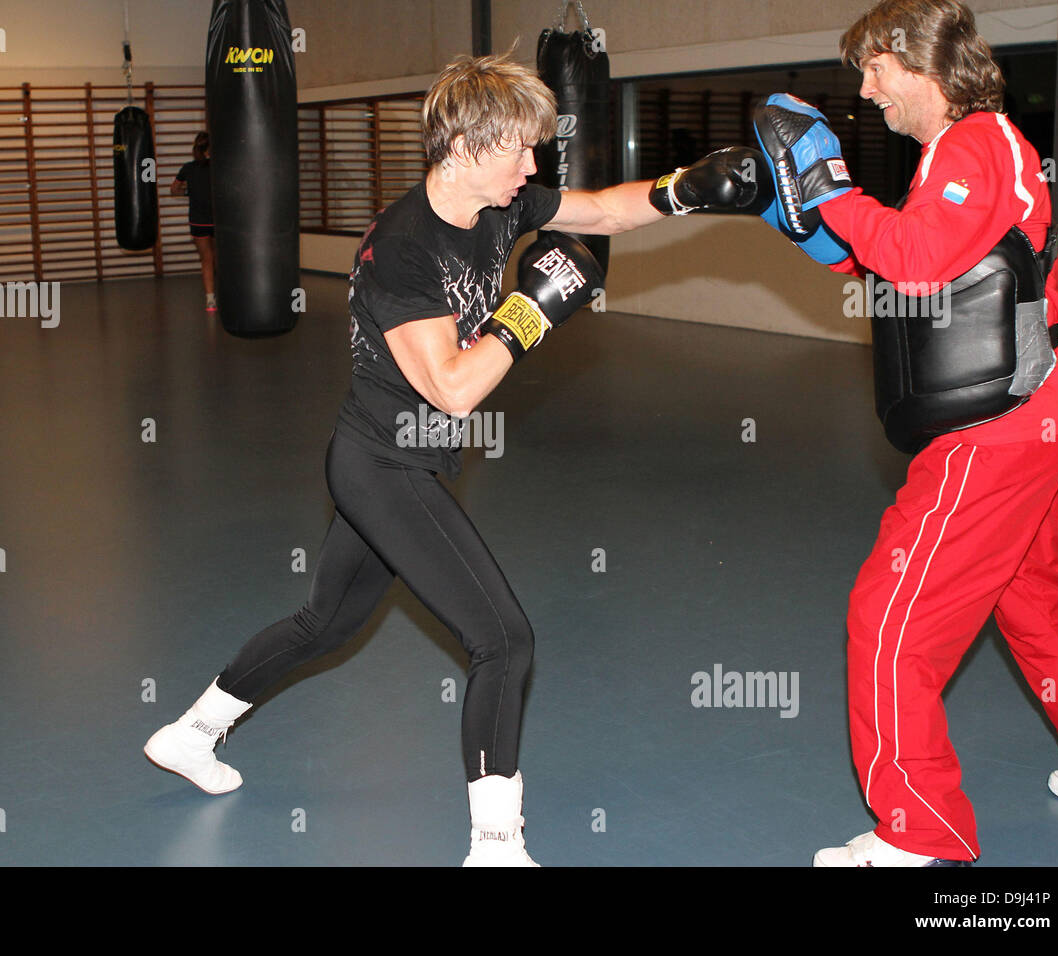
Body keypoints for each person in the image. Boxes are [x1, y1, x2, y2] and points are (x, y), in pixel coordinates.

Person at [144, 48, 766, 866]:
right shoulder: (401, 250)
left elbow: (603, 212)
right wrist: (531, 310)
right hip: (383, 467)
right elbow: (451, 390)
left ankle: (190, 734)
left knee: (324, 623)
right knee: (504, 640)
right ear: (468, 146)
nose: (532, 166)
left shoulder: (501, 203)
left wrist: (680, 190)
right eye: (519, 150)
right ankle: (495, 846)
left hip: (412, 461)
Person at [763, 0, 1058, 866]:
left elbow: (916, 260)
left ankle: (922, 833)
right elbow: (918, 261)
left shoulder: (976, 142)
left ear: (920, 63)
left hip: (995, 431)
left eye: (874, 68)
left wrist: (832, 188)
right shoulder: (968, 151)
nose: (866, 89)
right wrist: (812, 226)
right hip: (1045, 414)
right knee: (1040, 610)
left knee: (889, 621)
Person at [171, 131, 216, 311]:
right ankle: (224, 296)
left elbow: (173, 190)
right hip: (217, 221)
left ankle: (210, 300)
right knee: (217, 259)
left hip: (198, 221)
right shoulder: (219, 166)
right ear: (208, 149)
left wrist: (189, 192)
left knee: (206, 260)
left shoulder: (188, 168)